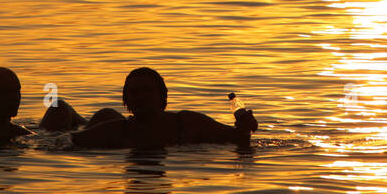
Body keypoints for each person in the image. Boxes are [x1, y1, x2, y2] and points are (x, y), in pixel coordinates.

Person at [70, 67, 258, 149]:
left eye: (147, 91)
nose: (141, 96)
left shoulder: (187, 123)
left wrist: (244, 126)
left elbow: (236, 137)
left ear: (163, 98)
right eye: (135, 92)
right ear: (126, 102)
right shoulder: (114, 131)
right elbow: (67, 143)